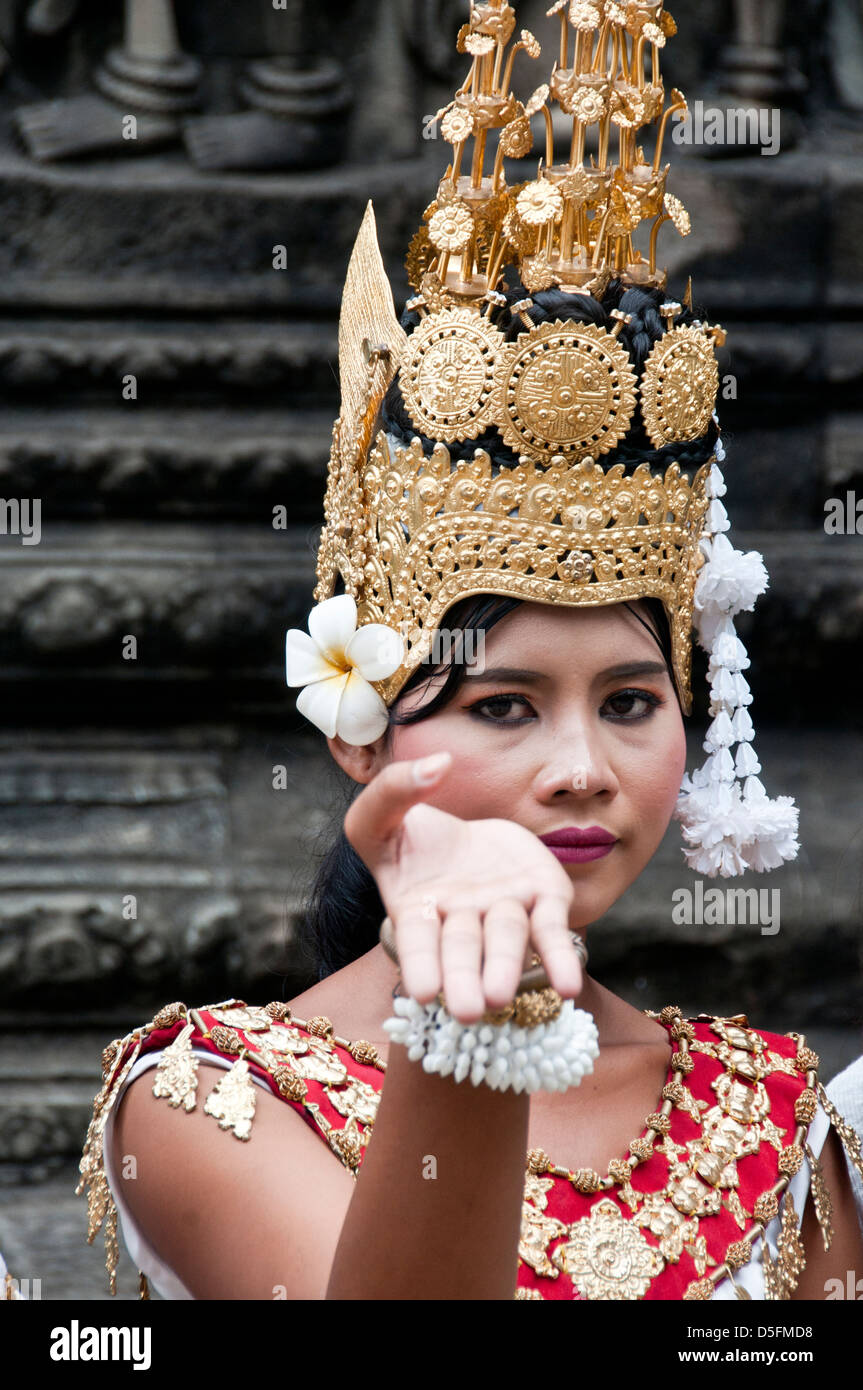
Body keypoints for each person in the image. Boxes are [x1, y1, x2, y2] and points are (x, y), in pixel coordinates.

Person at [78, 0, 863, 1301]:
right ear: (356, 726)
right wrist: (470, 1025)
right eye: (504, 706)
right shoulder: (210, 1093)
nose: (582, 767)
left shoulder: (778, 1116)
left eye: (628, 697)